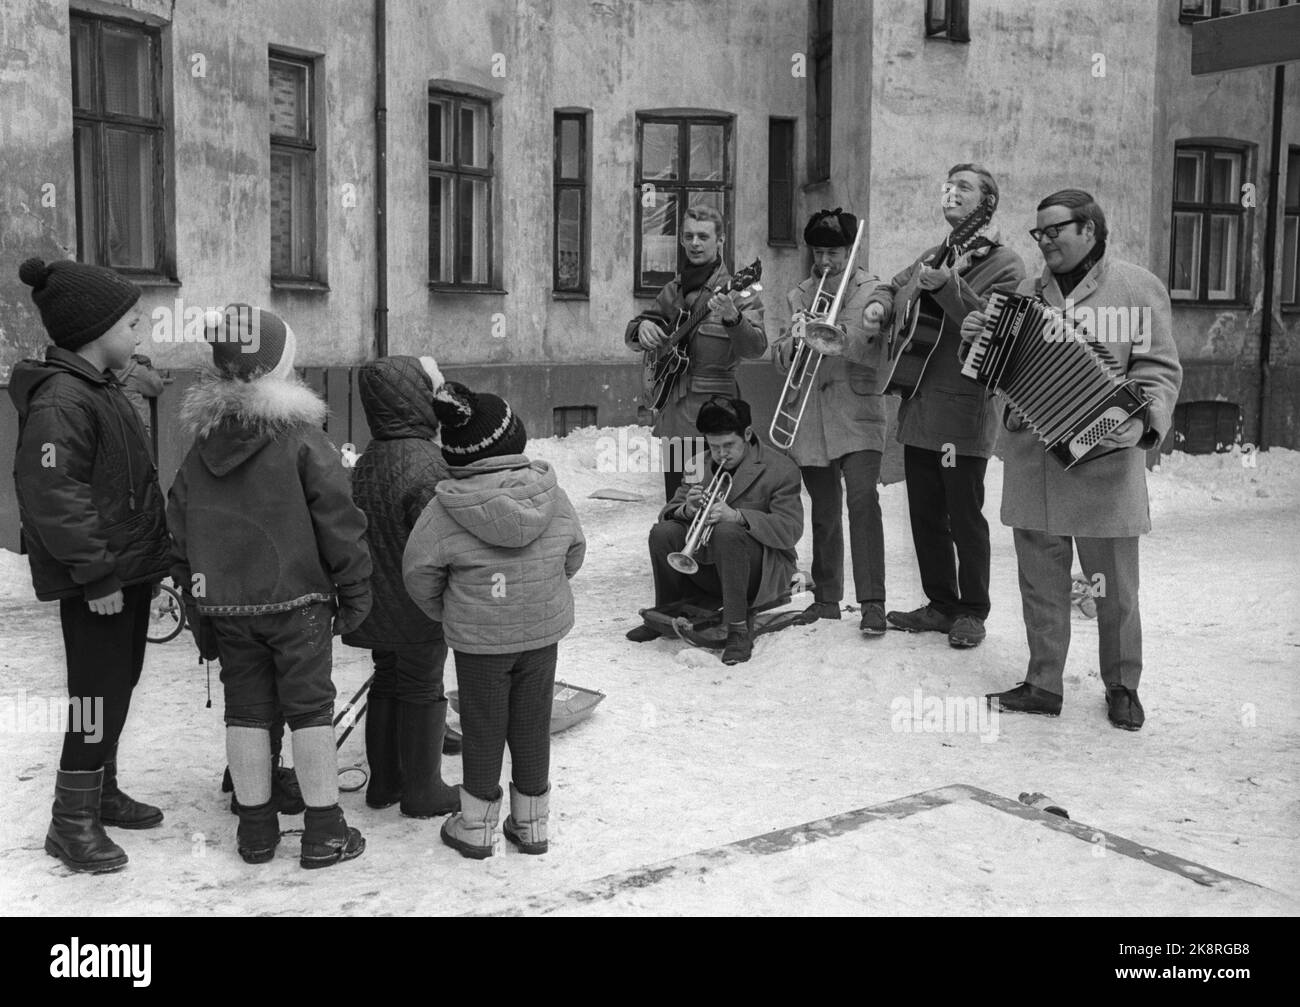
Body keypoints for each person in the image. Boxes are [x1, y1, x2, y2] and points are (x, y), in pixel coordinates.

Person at [964, 190, 1182, 730]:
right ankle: (1043, 683)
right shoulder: (1022, 292)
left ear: (1089, 230)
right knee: (1040, 583)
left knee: (1113, 587)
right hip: (1034, 460)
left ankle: (1123, 684)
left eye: (1054, 231)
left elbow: (1159, 370)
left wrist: (1141, 420)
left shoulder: (1136, 287)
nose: (1044, 243)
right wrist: (978, 342)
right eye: (1038, 234)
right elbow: (999, 375)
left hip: (1105, 464)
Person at [167, 304, 373, 867]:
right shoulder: (303, 440)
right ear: (276, 368)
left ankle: (255, 832)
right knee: (309, 709)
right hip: (299, 603)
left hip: (229, 609)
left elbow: (178, 526)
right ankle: (325, 829)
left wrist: (196, 595)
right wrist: (355, 588)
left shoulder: (202, 448)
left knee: (247, 710)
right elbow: (340, 520)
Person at [11, 257, 172, 874]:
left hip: (122, 572)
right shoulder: (62, 400)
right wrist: (96, 574)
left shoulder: (99, 388)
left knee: (116, 684)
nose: (140, 333)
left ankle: (99, 791)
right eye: (132, 322)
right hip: (98, 581)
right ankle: (69, 822)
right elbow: (54, 494)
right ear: (94, 329)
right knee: (94, 696)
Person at [404, 381, 585, 859]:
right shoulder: (551, 493)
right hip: (541, 634)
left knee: (482, 728)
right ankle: (531, 826)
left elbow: (418, 571)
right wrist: (543, 588)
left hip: (481, 642)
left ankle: (476, 827)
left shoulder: (445, 508)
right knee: (531, 724)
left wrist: (451, 610)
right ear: (515, 440)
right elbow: (574, 552)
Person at [861, 163, 1026, 649]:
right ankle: (939, 603)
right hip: (919, 404)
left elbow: (995, 329)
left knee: (964, 516)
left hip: (963, 412)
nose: (952, 192)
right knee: (925, 513)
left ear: (987, 204)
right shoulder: (935, 254)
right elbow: (891, 286)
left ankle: (972, 610)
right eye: (949, 184)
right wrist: (880, 305)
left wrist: (947, 287)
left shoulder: (1007, 264)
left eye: (966, 187)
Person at [344, 354, 460, 818]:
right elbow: (440, 544)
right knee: (422, 687)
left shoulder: (371, 457)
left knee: (387, 681)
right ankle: (423, 790)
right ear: (419, 399)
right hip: (418, 605)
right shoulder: (429, 464)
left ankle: (385, 782)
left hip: (377, 602)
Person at [772, 208, 888, 634]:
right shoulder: (799, 294)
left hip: (858, 414)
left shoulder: (873, 290)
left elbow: (877, 351)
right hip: (811, 417)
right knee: (824, 509)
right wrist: (795, 341)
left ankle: (873, 602)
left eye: (834, 253)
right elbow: (780, 354)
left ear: (850, 252)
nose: (826, 262)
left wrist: (834, 331)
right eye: (819, 253)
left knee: (863, 503)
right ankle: (826, 599)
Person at [627, 396, 803, 665]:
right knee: (662, 533)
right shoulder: (698, 463)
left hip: (760, 571)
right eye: (714, 445)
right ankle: (666, 614)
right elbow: (669, 510)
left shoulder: (780, 468)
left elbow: (790, 530)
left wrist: (738, 516)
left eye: (729, 445)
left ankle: (738, 629)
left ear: (747, 434)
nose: (721, 454)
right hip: (710, 566)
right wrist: (687, 508)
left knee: (726, 531)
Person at [625, 205, 767, 501]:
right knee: (676, 502)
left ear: (721, 240)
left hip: (715, 417)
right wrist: (643, 329)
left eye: (703, 236)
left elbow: (755, 347)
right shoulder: (674, 289)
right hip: (674, 416)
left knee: (713, 503)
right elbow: (636, 328)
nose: (695, 243)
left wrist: (732, 318)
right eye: (688, 236)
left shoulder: (740, 291)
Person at [113, 352, 164, 452]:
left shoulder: (98, 369)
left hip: (110, 425)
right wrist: (149, 368)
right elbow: (157, 388)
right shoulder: (136, 370)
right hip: (136, 427)